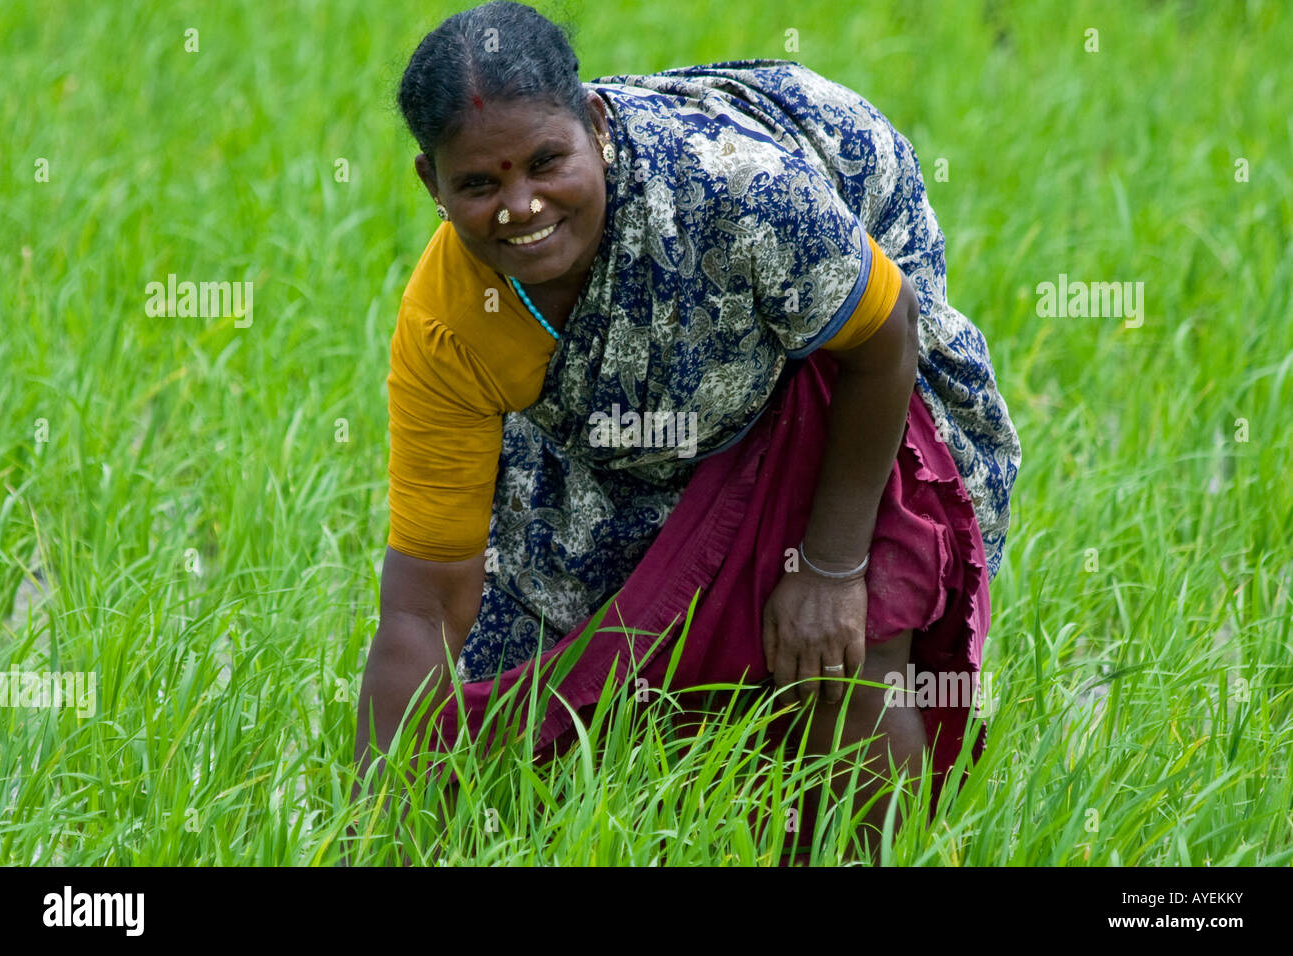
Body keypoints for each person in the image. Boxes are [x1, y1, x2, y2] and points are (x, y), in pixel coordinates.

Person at [352, 0, 1021, 852]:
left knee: (844, 638)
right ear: (431, 185)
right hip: (643, 425)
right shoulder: (452, 323)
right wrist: (367, 831)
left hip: (837, 361)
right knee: (516, 687)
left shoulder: (742, 193)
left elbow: (883, 343)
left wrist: (829, 567)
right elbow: (423, 604)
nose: (519, 207)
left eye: (545, 162)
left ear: (594, 125)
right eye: (480, 184)